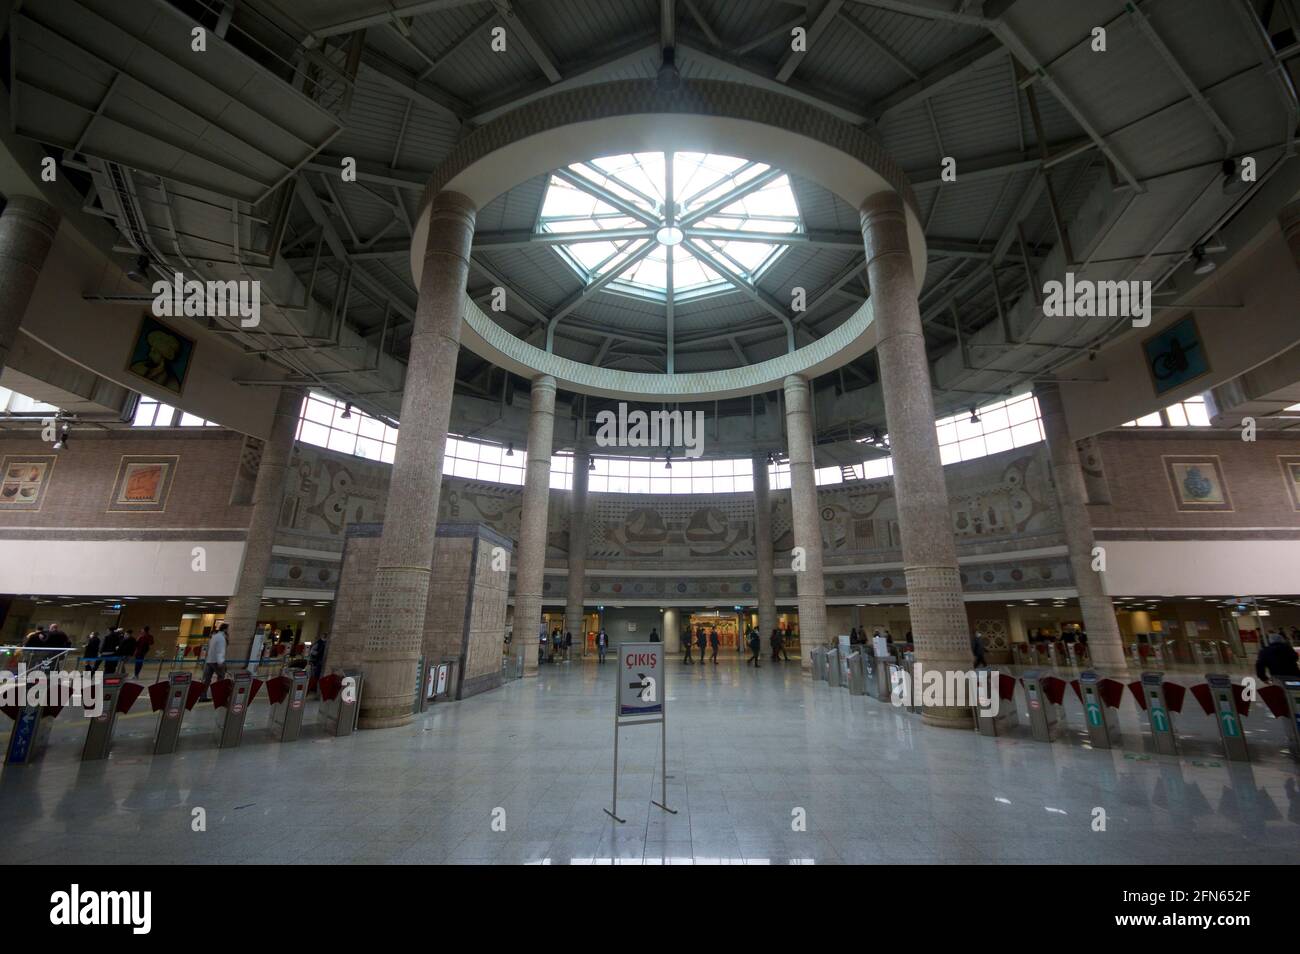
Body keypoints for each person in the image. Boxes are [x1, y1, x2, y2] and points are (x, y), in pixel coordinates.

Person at [200, 623, 228, 701]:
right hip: (216, 661)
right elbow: (220, 651)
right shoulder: (221, 638)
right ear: (225, 629)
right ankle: (218, 696)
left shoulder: (214, 637)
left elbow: (211, 649)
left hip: (209, 660)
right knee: (221, 677)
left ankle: (202, 696)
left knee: (207, 679)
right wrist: (220, 662)